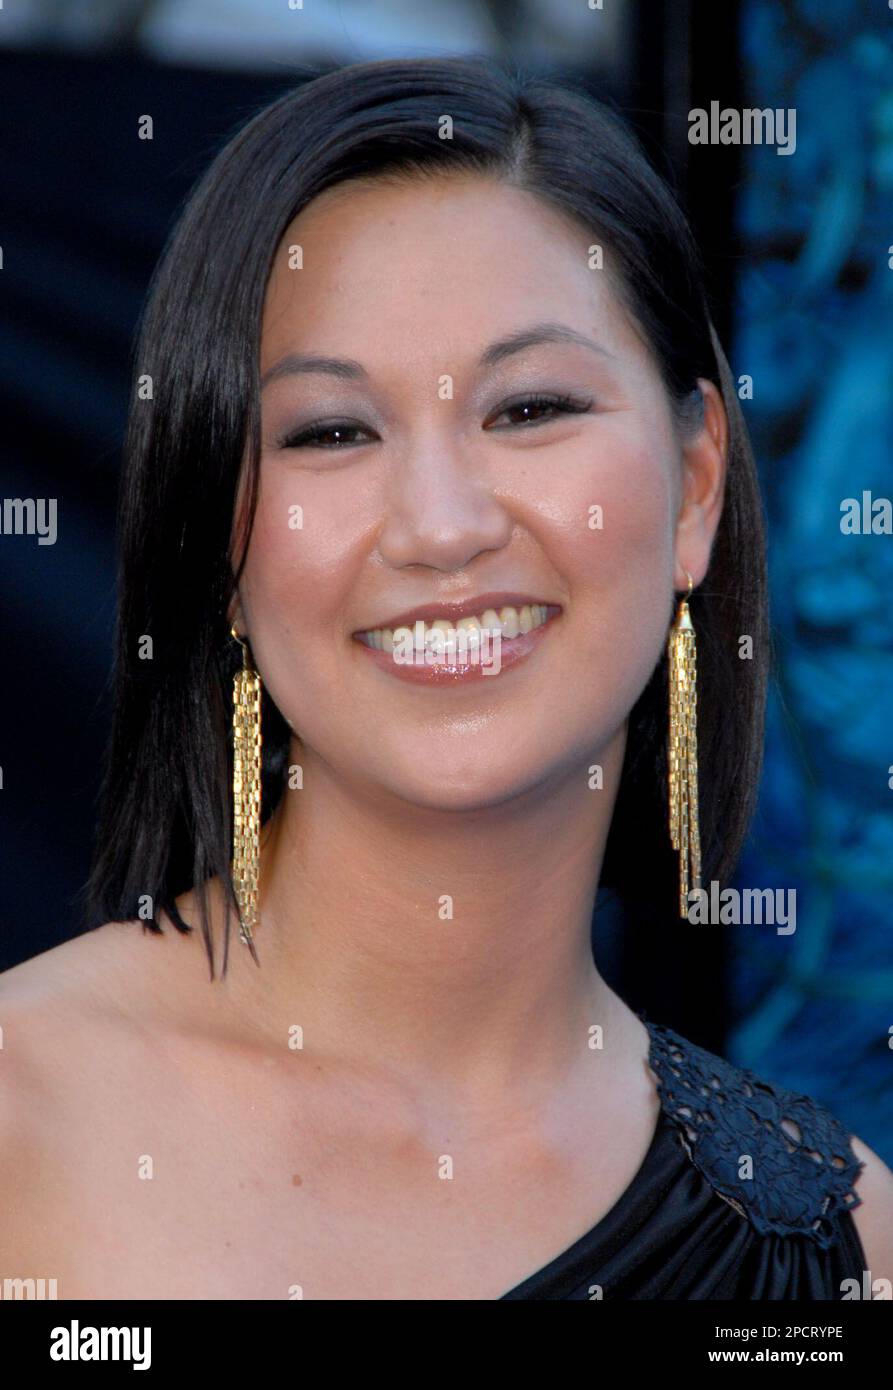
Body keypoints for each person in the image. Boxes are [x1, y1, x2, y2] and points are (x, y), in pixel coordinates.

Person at [2, 55, 891, 1300]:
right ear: (214, 542)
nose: (437, 524)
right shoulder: (23, 1117)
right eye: (330, 431)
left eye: (527, 408)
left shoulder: (836, 1242)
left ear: (694, 488)